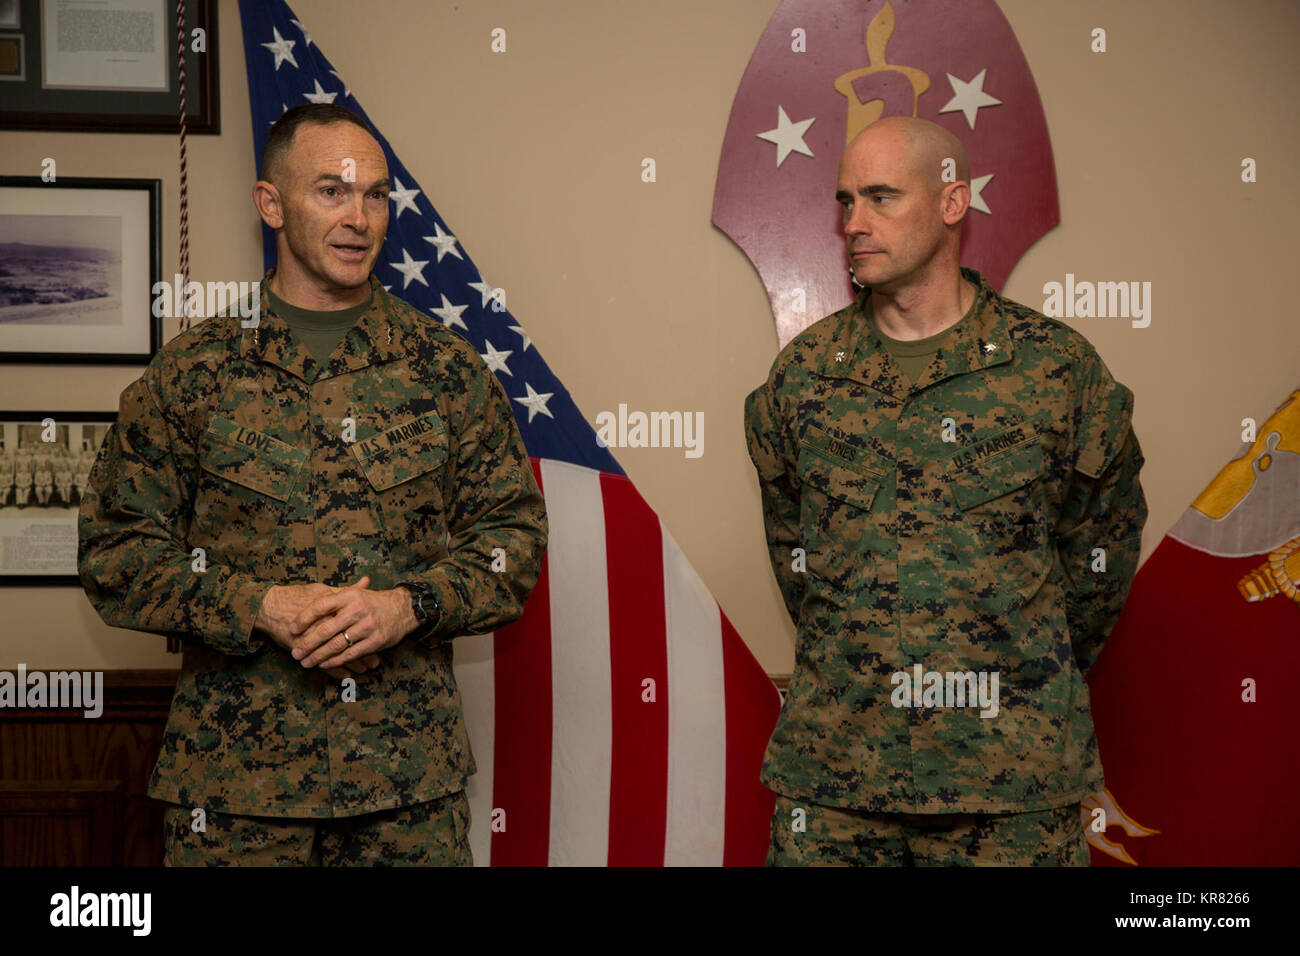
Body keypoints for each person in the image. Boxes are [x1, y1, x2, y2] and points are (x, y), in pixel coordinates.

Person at [78, 103, 548, 866]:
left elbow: (512, 541)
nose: (359, 218)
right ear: (272, 204)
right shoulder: (194, 375)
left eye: (374, 195)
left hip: (404, 794)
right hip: (235, 798)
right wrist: (258, 605)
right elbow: (114, 555)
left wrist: (407, 607)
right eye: (331, 191)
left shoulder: (445, 370)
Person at [744, 116, 1147, 866]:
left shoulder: (1056, 373)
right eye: (845, 202)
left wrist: (1012, 664)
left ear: (952, 203)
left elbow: (1097, 564)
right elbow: (799, 562)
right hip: (838, 788)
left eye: (881, 198)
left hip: (1011, 793)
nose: (854, 224)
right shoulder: (802, 379)